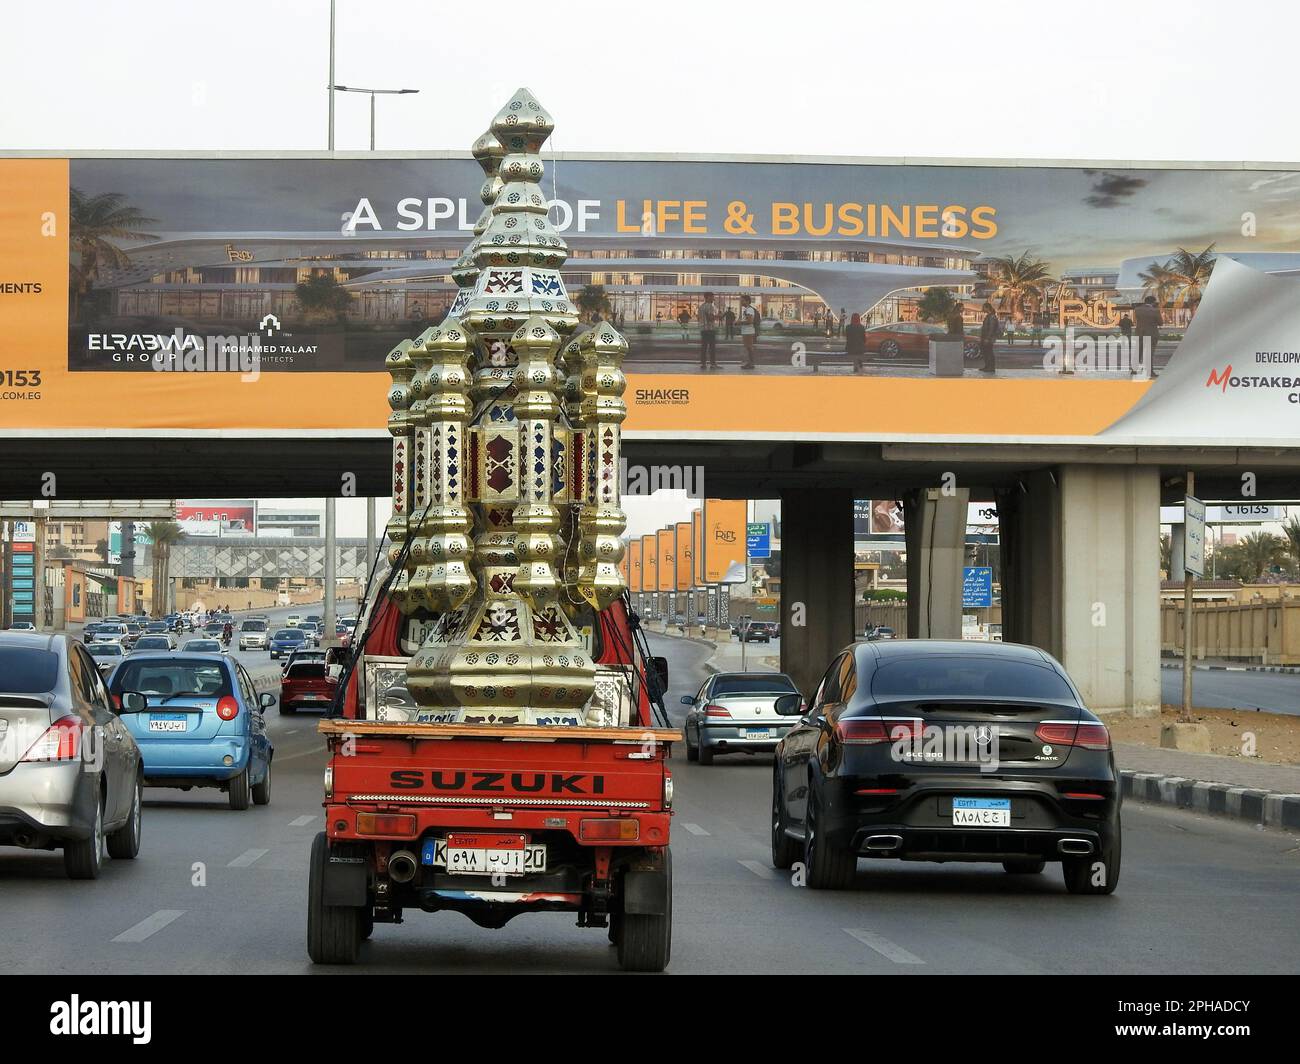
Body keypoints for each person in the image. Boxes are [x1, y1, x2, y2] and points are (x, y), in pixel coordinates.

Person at [1133, 296, 1162, 375]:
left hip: (1140, 334)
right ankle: (1150, 371)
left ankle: (1134, 369)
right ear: (1153, 302)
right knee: (1149, 353)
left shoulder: (1137, 310)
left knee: (1138, 351)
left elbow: (1136, 320)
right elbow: (1160, 323)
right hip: (1151, 334)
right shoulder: (1155, 311)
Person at [698, 291, 720, 370]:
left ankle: (703, 364)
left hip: (703, 329)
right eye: (712, 297)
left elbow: (699, 318)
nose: (713, 299)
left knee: (704, 347)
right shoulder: (710, 306)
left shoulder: (701, 307)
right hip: (710, 329)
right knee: (712, 347)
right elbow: (710, 318)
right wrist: (718, 316)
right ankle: (713, 364)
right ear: (707, 297)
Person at [738, 295, 759, 370]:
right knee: (748, 348)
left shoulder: (749, 309)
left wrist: (740, 322)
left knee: (749, 348)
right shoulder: (747, 309)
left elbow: (750, 321)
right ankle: (749, 363)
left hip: (748, 332)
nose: (741, 302)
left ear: (747, 301)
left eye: (742, 300)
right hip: (746, 331)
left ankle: (751, 363)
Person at [979, 301, 1000, 374]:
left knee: (989, 352)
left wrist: (988, 338)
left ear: (987, 308)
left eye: (983, 307)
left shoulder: (992, 316)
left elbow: (991, 328)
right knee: (986, 352)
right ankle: (987, 366)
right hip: (985, 337)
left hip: (988, 338)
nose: (982, 309)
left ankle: (991, 368)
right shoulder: (989, 316)